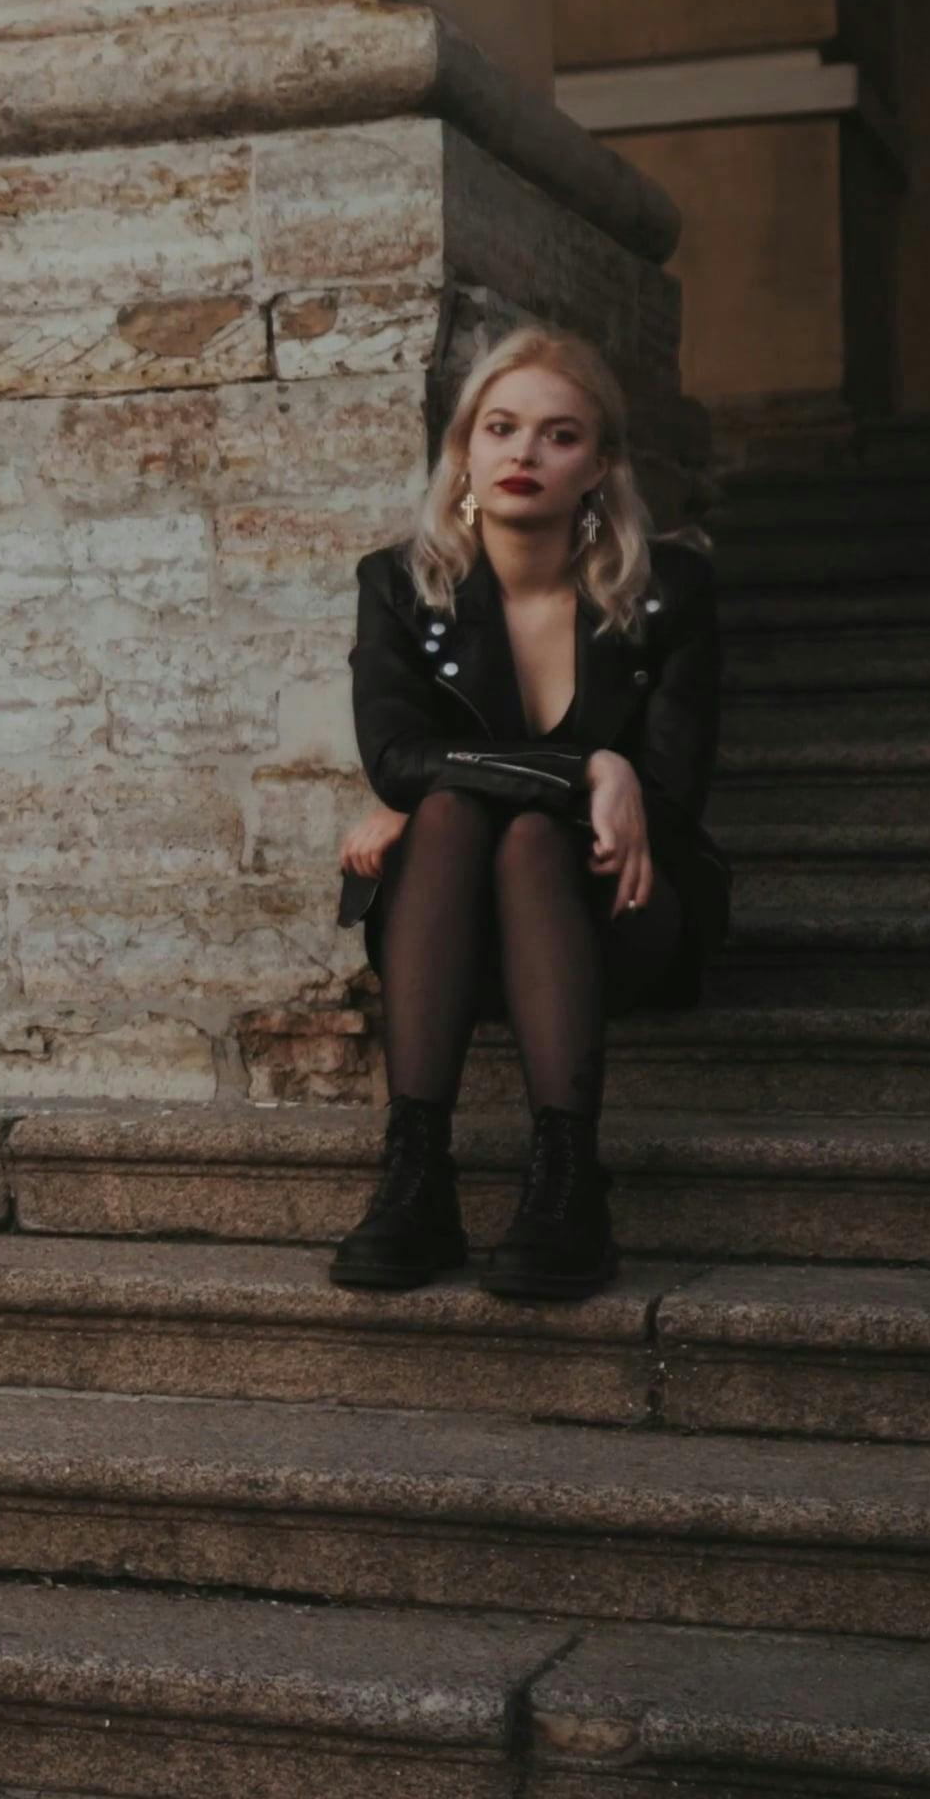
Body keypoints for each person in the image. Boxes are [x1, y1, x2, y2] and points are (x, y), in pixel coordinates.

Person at [326, 326, 728, 1302]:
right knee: (457, 813)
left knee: (513, 824)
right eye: (501, 428)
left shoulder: (669, 593)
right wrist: (591, 764)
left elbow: (669, 792)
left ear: (599, 467)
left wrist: (440, 791)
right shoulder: (399, 586)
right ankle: (417, 1177)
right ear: (465, 448)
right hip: (447, 926)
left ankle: (566, 1185)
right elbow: (393, 756)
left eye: (558, 435)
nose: (522, 454)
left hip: (617, 913)